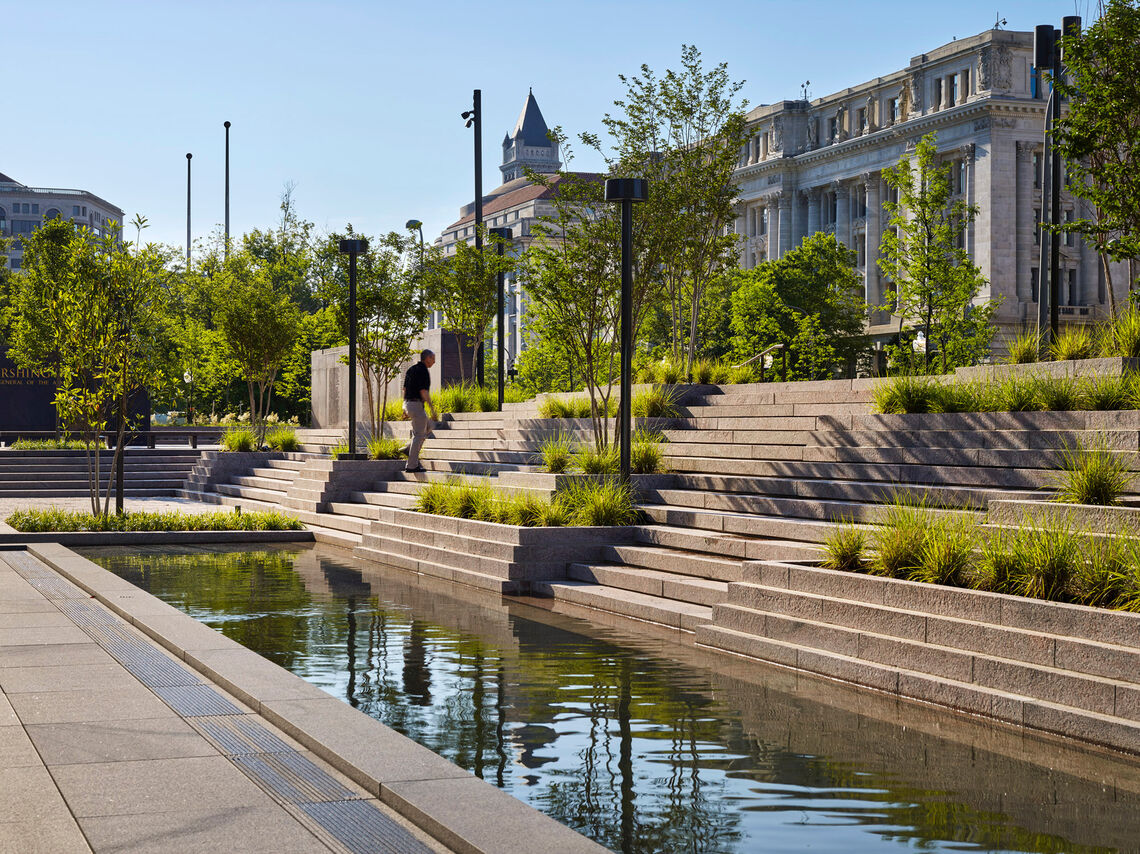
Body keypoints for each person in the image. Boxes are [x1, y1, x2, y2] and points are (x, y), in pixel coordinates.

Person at [403, 349, 438, 473]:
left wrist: (404, 408)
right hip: (416, 405)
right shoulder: (423, 371)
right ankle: (411, 466)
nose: (434, 361)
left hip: (407, 404)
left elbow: (405, 389)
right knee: (419, 435)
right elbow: (423, 392)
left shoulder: (411, 369)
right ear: (427, 358)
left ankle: (408, 449)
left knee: (429, 426)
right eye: (433, 359)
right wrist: (432, 409)